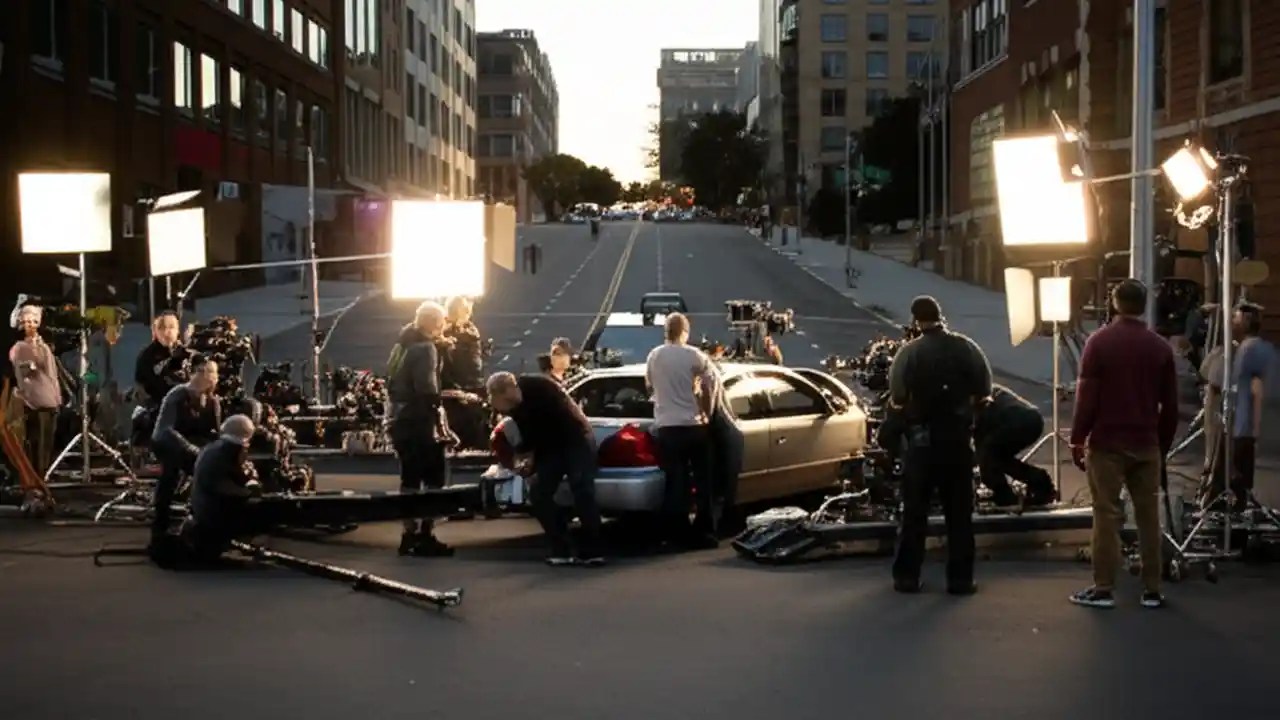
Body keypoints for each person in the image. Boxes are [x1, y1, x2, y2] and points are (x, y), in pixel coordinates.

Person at [1069, 280, 1179, 610]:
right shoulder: (1160, 348)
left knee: (1106, 513)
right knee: (1148, 517)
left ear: (1115, 304)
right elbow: (1170, 405)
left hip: (1107, 442)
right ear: (1144, 306)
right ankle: (1152, 588)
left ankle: (1103, 587)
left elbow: (1086, 397)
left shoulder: (1098, 343)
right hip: (1146, 443)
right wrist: (1162, 444)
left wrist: (1077, 437)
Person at [887, 296, 992, 595]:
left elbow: (897, 395)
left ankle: (907, 577)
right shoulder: (967, 348)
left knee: (914, 514)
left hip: (922, 444)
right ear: (940, 316)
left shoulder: (910, 353)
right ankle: (960, 580)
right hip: (958, 442)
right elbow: (984, 391)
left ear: (915, 320)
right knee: (959, 515)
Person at [486, 370, 604, 566]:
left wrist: (534, 456)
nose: (504, 411)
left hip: (575, 438)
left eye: (501, 403)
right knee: (539, 493)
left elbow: (552, 424)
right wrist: (525, 461)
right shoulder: (514, 407)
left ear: (507, 391)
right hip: (551, 447)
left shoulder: (541, 388)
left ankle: (593, 549)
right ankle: (561, 547)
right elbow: (529, 436)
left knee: (582, 488)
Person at [645, 312, 720, 549]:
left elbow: (649, 387)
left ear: (666, 332)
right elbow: (711, 384)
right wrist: (707, 412)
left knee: (675, 482)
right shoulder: (694, 355)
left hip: (667, 427)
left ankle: (675, 533)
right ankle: (704, 532)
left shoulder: (654, 356)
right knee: (703, 481)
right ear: (685, 332)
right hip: (693, 426)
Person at [387, 301, 454, 557]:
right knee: (434, 477)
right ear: (432, 323)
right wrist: (439, 416)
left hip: (398, 418)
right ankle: (426, 533)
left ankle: (408, 534)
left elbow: (392, 378)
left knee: (409, 478)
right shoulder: (426, 349)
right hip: (419, 421)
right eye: (441, 323)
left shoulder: (401, 345)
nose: (443, 327)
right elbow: (426, 388)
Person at [1202, 303, 1274, 511]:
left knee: (1234, 479)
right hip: (1233, 424)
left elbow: (1257, 389)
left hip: (1241, 427)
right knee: (1230, 479)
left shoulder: (1253, 349)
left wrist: (1256, 429)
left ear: (1247, 321)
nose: (1232, 321)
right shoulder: (1240, 348)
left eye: (1236, 317)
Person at [149, 359, 222, 562]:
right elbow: (165, 430)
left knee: (207, 467)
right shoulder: (178, 395)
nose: (212, 377)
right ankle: (160, 520)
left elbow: (214, 433)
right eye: (208, 372)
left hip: (193, 442)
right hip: (168, 441)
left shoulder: (213, 402)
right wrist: (190, 449)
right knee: (171, 471)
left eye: (213, 373)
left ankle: (203, 518)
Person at [180, 415, 262, 562]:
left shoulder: (212, 449)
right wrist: (249, 492)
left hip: (202, 510)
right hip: (213, 514)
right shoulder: (228, 451)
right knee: (264, 511)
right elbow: (224, 486)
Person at [976, 384, 1056, 507]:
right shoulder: (984, 387)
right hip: (1032, 419)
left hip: (1019, 419)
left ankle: (1006, 498)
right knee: (997, 458)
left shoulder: (969, 397)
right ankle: (1039, 481)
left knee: (987, 456)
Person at [8, 304, 61, 477]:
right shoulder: (19, 348)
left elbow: (52, 374)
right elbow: (21, 373)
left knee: (47, 443)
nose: (30, 324)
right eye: (27, 321)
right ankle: (34, 478)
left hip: (49, 399)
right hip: (33, 401)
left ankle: (42, 476)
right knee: (36, 442)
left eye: (33, 321)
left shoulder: (44, 347)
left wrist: (57, 397)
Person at [134, 311, 187, 406]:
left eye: (171, 327)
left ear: (178, 330)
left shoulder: (185, 353)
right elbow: (140, 383)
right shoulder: (147, 356)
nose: (167, 332)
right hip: (156, 407)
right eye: (162, 328)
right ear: (155, 331)